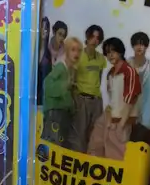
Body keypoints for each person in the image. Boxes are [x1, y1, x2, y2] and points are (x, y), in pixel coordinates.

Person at [89, 38, 140, 162]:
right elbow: (111, 98)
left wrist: (121, 124)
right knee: (96, 146)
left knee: (115, 155)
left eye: (113, 51)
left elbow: (131, 99)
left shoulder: (129, 71)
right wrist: (107, 116)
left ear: (120, 52)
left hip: (122, 120)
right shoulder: (110, 73)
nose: (110, 55)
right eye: (107, 52)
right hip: (110, 116)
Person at [70, 24, 105, 152]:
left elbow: (99, 78)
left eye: (98, 38)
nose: (95, 40)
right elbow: (72, 78)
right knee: (79, 135)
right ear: (87, 37)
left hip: (96, 101)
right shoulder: (78, 55)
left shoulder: (101, 58)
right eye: (92, 36)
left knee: (95, 135)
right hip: (81, 99)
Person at [42, 37, 82, 146]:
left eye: (79, 50)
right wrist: (65, 85)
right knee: (53, 145)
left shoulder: (71, 70)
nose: (76, 53)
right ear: (67, 51)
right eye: (73, 50)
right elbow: (47, 84)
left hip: (63, 113)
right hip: (55, 113)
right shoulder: (60, 67)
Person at [37, 16, 52, 108]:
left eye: (46, 29)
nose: (44, 31)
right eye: (42, 27)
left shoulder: (48, 54)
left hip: (42, 98)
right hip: (30, 94)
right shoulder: (32, 51)